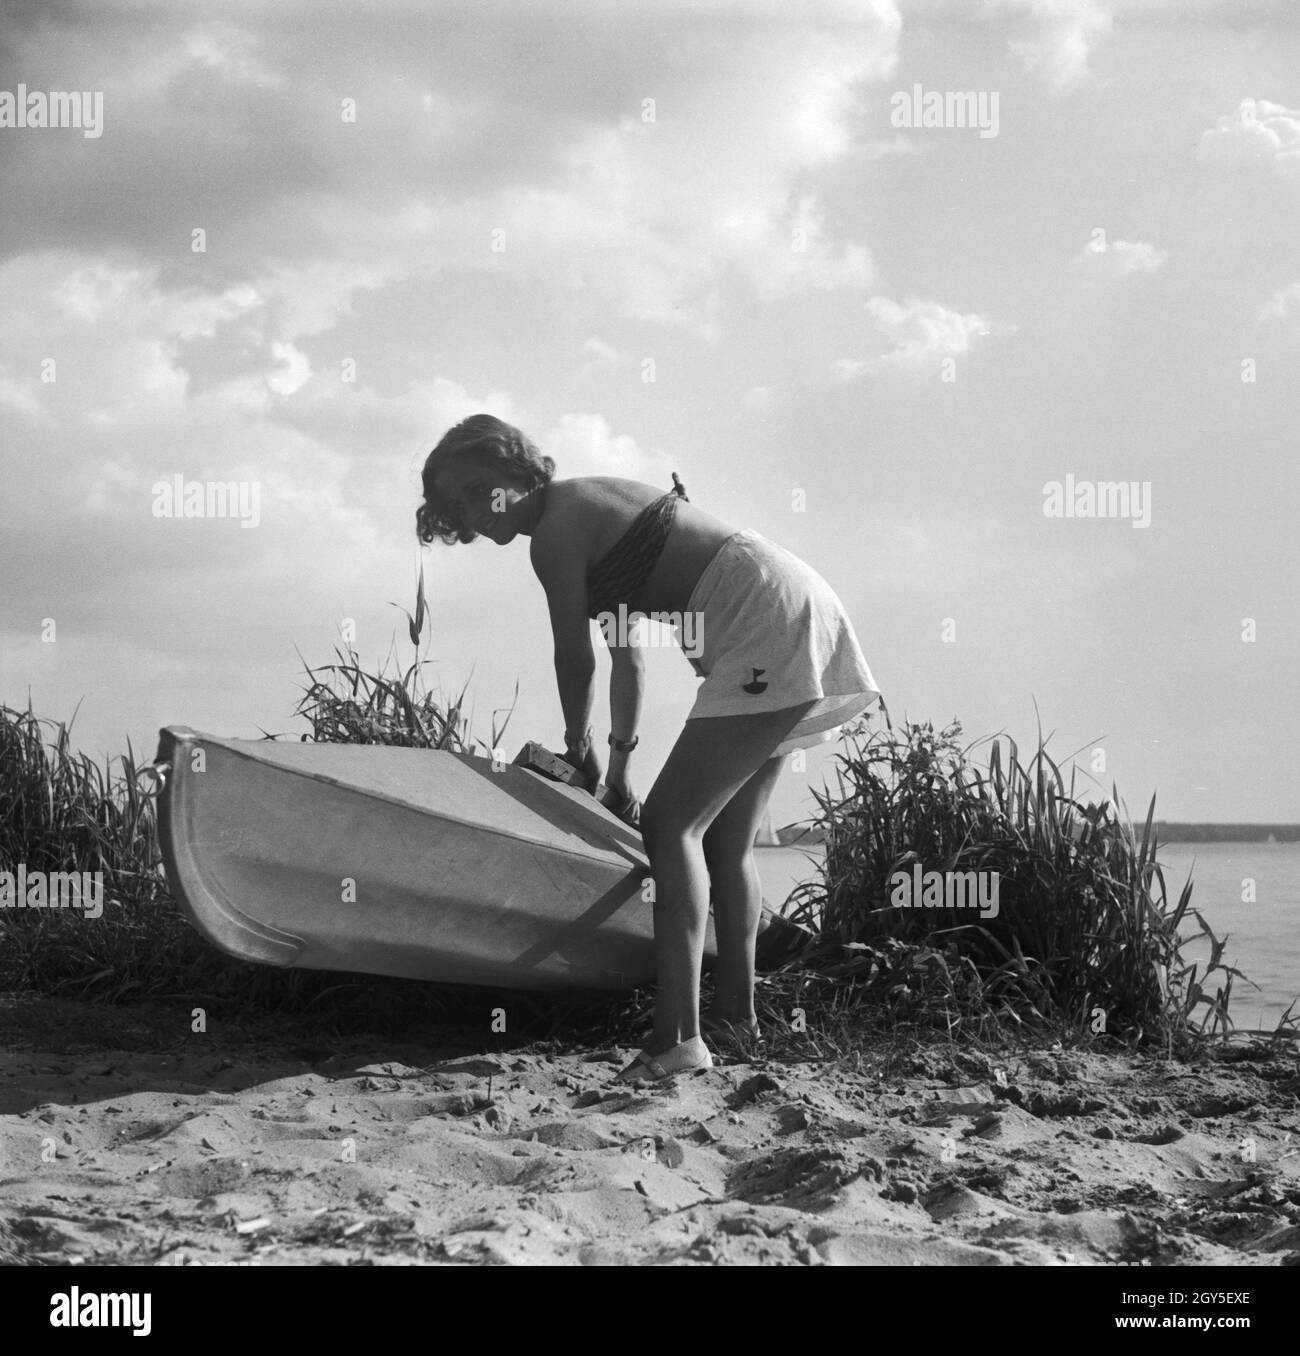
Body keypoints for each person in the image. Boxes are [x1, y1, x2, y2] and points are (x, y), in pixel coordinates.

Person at [417, 414, 882, 1081]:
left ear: (520, 471)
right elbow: (625, 659)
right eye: (457, 503)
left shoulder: (552, 536)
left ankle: (678, 1040)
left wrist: (576, 746)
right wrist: (616, 766)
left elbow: (572, 656)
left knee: (671, 826)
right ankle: (735, 1021)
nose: (473, 509)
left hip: (761, 619)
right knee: (722, 839)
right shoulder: (584, 508)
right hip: (793, 600)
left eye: (480, 488)